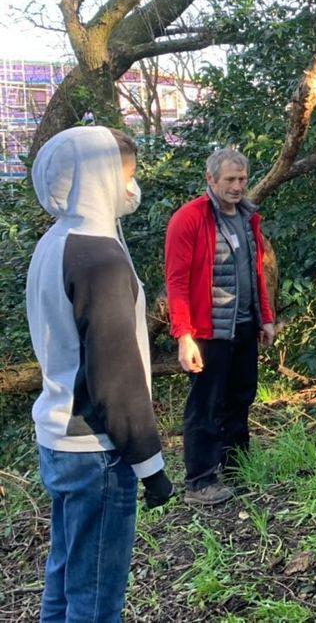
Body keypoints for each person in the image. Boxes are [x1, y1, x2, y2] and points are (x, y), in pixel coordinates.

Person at [27, 126, 174, 622]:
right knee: (95, 599)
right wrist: (149, 463)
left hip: (58, 434)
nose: (131, 188)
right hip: (97, 449)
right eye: (126, 175)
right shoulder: (101, 258)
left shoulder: (56, 242)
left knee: (65, 579)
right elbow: (116, 374)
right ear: (99, 177)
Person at [165, 148, 276, 506]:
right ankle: (199, 480)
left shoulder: (247, 218)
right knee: (206, 404)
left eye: (242, 179)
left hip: (243, 326)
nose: (237, 186)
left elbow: (255, 272)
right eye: (229, 179)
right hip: (207, 330)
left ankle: (235, 467)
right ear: (210, 179)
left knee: (241, 396)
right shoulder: (190, 219)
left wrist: (266, 318)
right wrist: (184, 335)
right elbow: (177, 282)